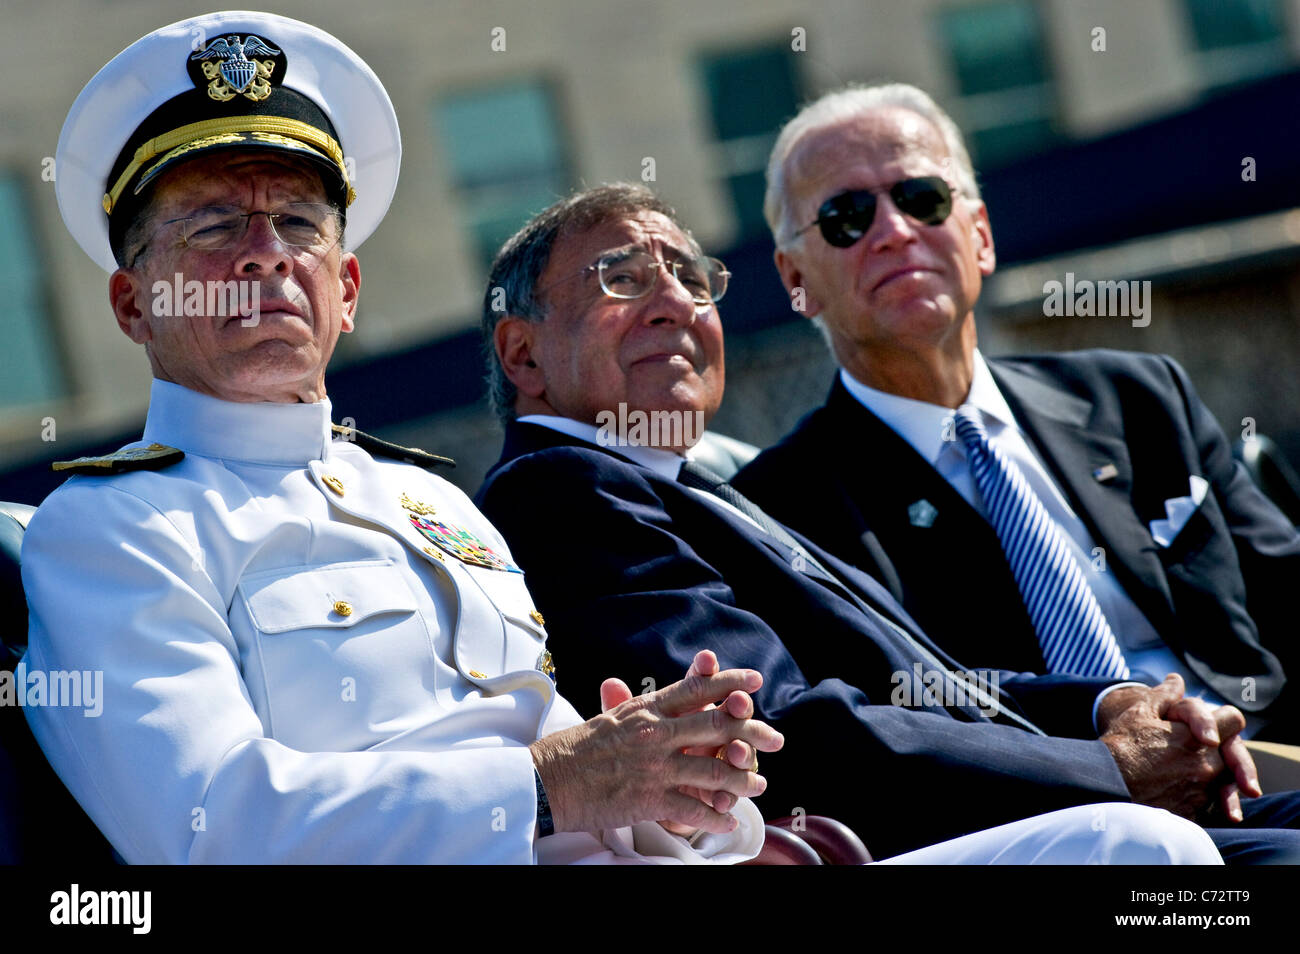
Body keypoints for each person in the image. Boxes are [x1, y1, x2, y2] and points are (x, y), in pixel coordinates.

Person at [21, 10, 788, 866]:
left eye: (300, 225)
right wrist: (553, 785)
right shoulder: (114, 530)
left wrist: (677, 796)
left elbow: (572, 765)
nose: (265, 255)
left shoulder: (431, 500)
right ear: (135, 306)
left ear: (345, 291)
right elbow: (213, 826)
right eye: (212, 226)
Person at [475, 182, 1300, 863]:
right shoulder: (562, 492)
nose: (674, 305)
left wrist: (1108, 708)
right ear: (523, 356)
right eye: (621, 279)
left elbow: (926, 681)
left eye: (693, 279)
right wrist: (1106, 770)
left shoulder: (686, 484)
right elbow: (782, 734)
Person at [730, 83, 1300, 754]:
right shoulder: (781, 514)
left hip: (1272, 758)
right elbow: (898, 722)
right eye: (846, 216)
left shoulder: (1139, 396)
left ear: (981, 237)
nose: (894, 232)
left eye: (922, 198)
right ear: (795, 280)